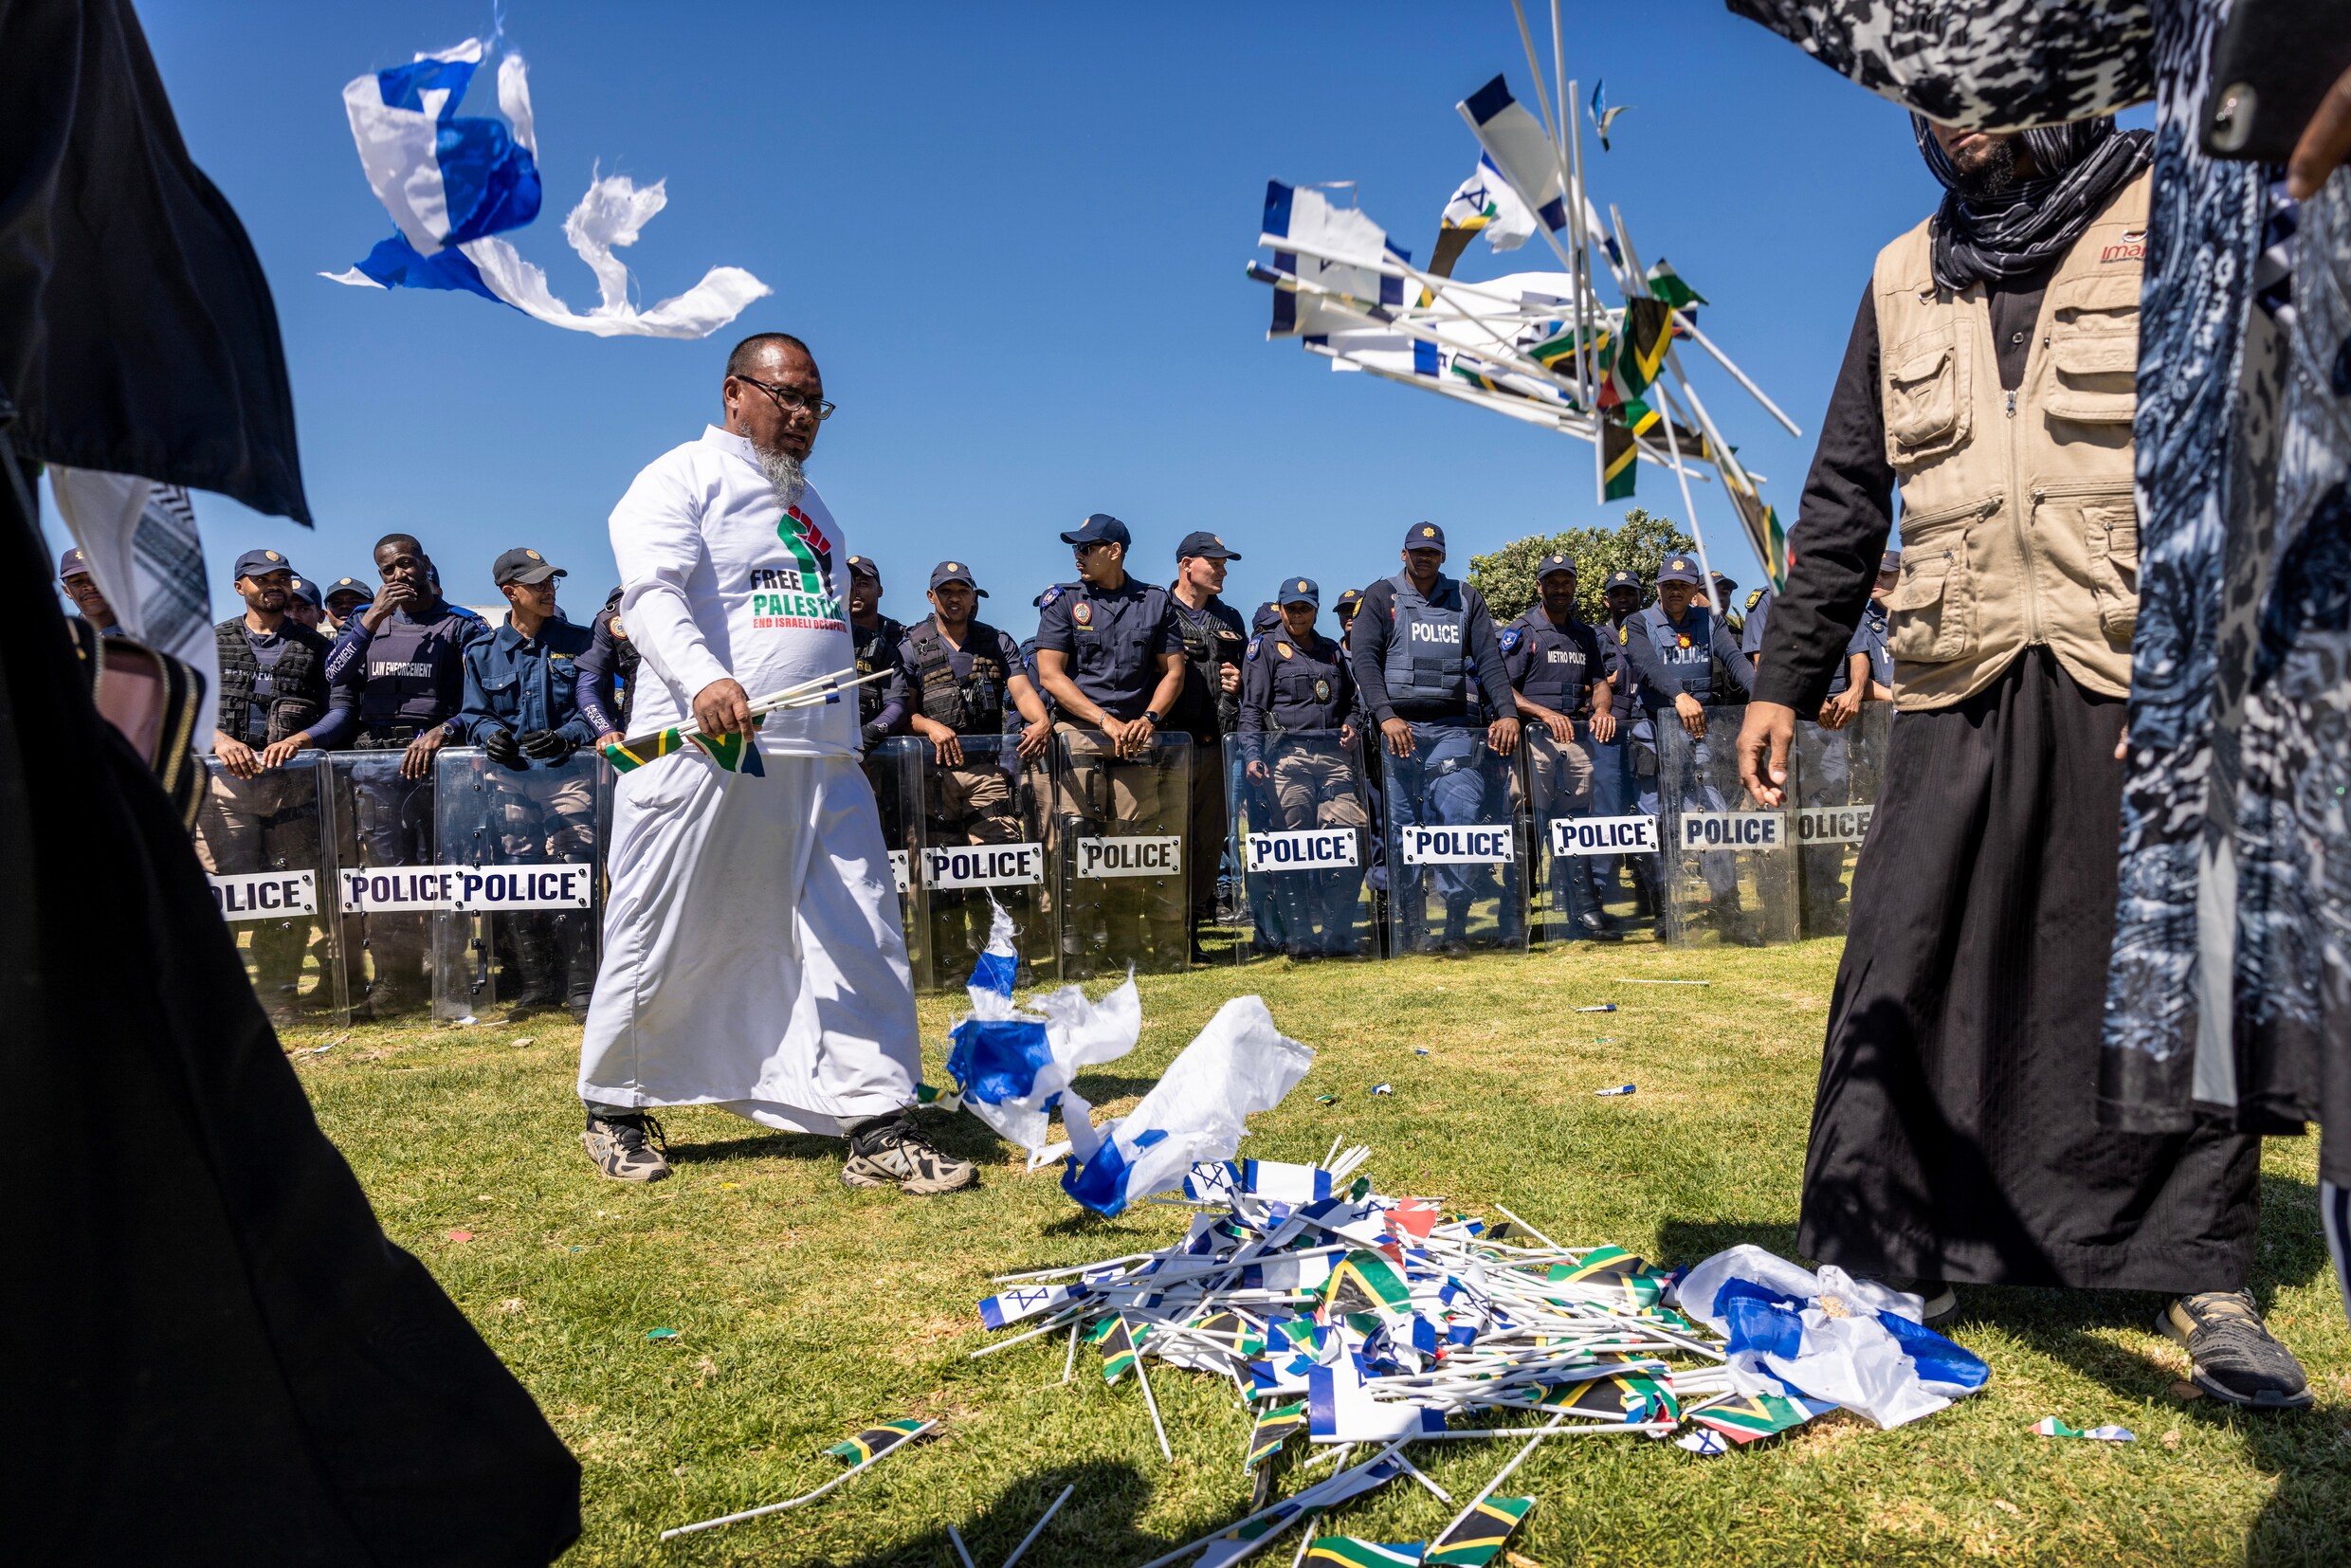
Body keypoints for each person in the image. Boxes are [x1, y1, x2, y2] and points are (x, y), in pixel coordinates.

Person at [1733, 108, 2308, 1409]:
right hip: (1954, 663)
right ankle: (1889, 1242)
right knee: (1905, 949)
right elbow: (1842, 497)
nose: (1960, 117)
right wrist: (1786, 676)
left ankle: (2200, 1271)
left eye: (1987, 85)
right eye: (1934, 97)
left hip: (2132, 656)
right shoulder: (1897, 273)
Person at [575, 332, 969, 1194]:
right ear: (734, 394)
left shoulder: (815, 506)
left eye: (815, 404)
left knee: (861, 929)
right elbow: (650, 598)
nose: (802, 419)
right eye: (787, 398)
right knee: (661, 925)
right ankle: (615, 1105)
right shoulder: (677, 477)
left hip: (821, 755)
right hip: (705, 748)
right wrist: (706, 678)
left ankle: (877, 1122)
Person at [325, 532, 488, 1015]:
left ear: (424, 562)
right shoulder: (363, 623)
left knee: (444, 876)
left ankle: (448, 975)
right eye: (388, 570)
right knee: (387, 879)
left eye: (406, 564)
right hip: (376, 765)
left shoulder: (462, 625)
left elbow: (482, 702)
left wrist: (444, 729)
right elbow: (334, 676)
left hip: (441, 764)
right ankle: (395, 982)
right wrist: (371, 618)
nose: (399, 575)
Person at [1349, 521, 1522, 957]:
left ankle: (1456, 927)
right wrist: (1385, 716)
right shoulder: (1380, 596)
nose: (1424, 557)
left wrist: (1508, 713)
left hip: (1452, 728)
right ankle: (1411, 928)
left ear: (1442, 556)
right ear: (1402, 553)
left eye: (1432, 551)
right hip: (1397, 730)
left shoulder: (1466, 597)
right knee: (1402, 828)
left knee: (1458, 818)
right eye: (1416, 551)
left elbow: (1489, 661)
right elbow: (1364, 662)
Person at [197, 548, 354, 1020]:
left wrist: (304, 738)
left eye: (282, 578)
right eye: (262, 577)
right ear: (239, 585)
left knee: (290, 895)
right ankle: (215, 995)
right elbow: (182, 702)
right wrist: (220, 739)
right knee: (222, 893)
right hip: (224, 790)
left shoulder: (319, 645)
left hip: (295, 789)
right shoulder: (209, 641)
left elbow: (342, 712)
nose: (275, 585)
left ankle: (279, 993)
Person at [1032, 513, 1188, 972]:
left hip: (1135, 738)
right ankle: (1074, 949)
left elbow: (1173, 671)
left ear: (1114, 551)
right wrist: (1101, 719)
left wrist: (1150, 717)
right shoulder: (1064, 601)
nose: (1077, 556)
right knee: (1075, 843)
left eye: (1086, 548)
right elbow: (1049, 674)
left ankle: (1125, 942)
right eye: (1075, 549)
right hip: (1079, 731)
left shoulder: (1155, 602)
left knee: (1132, 844)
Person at [449, 548, 600, 1022]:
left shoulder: (582, 642)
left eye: (552, 580)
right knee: (517, 876)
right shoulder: (480, 652)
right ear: (509, 592)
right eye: (537, 583)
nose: (548, 589)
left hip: (569, 778)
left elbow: (594, 709)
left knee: (577, 874)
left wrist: (568, 736)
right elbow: (473, 714)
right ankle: (537, 986)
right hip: (510, 781)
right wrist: (490, 736)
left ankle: (581, 987)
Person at [895, 559, 1052, 976]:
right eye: (946, 591)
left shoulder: (997, 642)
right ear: (932, 598)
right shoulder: (912, 645)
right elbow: (903, 712)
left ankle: (1005, 958)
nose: (954, 598)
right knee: (939, 871)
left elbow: (1022, 691)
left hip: (985, 773)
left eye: (962, 590)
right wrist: (931, 726)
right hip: (933, 776)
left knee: (1000, 865)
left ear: (974, 598)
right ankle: (948, 962)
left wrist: (1040, 721)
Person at [1618, 556, 1758, 943]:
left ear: (1696, 588)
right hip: (1655, 733)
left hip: (1700, 737)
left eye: (1683, 584)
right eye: (1668, 584)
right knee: (1656, 823)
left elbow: (1734, 660)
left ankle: (1727, 906)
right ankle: (1664, 907)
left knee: (1713, 817)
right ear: (1658, 587)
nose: (1675, 590)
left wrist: (1765, 696)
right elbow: (1645, 665)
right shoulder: (1638, 622)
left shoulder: (1710, 620)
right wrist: (1678, 695)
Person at [1743, 556, 1882, 930]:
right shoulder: (1767, 599)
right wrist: (1803, 694)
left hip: (1833, 720)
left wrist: (1855, 690)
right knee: (1781, 806)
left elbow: (1858, 653)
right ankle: (1781, 902)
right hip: (1787, 717)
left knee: (1830, 808)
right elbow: (1761, 661)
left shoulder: (1842, 598)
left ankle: (1824, 901)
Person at [1239, 578, 1366, 959]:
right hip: (1287, 758)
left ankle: (1336, 934)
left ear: (1314, 609)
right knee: (1292, 847)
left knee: (1351, 838)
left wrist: (1352, 724)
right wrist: (1251, 754)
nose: (1298, 614)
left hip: (1333, 759)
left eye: (1305, 608)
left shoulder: (1330, 652)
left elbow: (1355, 703)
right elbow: (1251, 709)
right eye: (1291, 608)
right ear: (1280, 609)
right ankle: (1300, 937)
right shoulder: (1264, 649)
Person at [1502, 553, 1620, 942]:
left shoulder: (1585, 634)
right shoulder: (1523, 631)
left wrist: (1602, 708)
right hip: (1534, 741)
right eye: (1552, 581)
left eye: (1566, 581)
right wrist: (1543, 712)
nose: (1559, 588)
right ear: (1539, 586)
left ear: (1574, 586)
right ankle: (1513, 919)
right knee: (1529, 827)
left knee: (1574, 829)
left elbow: (1600, 681)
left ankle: (1584, 913)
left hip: (1574, 743)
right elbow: (1503, 689)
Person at [1167, 531, 1248, 961]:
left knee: (1208, 841)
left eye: (1224, 562)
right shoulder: (1159, 611)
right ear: (1186, 566)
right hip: (1171, 748)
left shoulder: (1230, 618)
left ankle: (1193, 933)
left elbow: (1252, 676)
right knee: (1169, 840)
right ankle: (1163, 932)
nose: (1222, 569)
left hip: (1217, 745)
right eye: (1213, 562)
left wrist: (1240, 683)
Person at [1589, 569, 1649, 921]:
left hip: (1646, 729)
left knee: (1645, 809)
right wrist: (1600, 688)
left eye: (1631, 593)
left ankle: (1646, 889)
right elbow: (1583, 684)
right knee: (1608, 811)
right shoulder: (1596, 637)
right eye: (1618, 594)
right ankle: (1600, 889)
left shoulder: (1651, 631)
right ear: (1606, 600)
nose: (1625, 599)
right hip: (1608, 735)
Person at [846, 555, 907, 754]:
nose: (855, 590)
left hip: (875, 753)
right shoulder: (820, 635)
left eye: (863, 584)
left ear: (879, 590)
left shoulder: (898, 639)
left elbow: (897, 704)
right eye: (850, 583)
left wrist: (865, 736)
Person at [576, 584, 641, 746]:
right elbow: (587, 688)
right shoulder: (612, 616)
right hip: (641, 730)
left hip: (698, 723)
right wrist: (606, 732)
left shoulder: (696, 597)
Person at [58, 546, 122, 635]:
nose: (89, 587)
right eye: (77, 581)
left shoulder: (142, 634)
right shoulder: (59, 642)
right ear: (67, 591)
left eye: (97, 578)